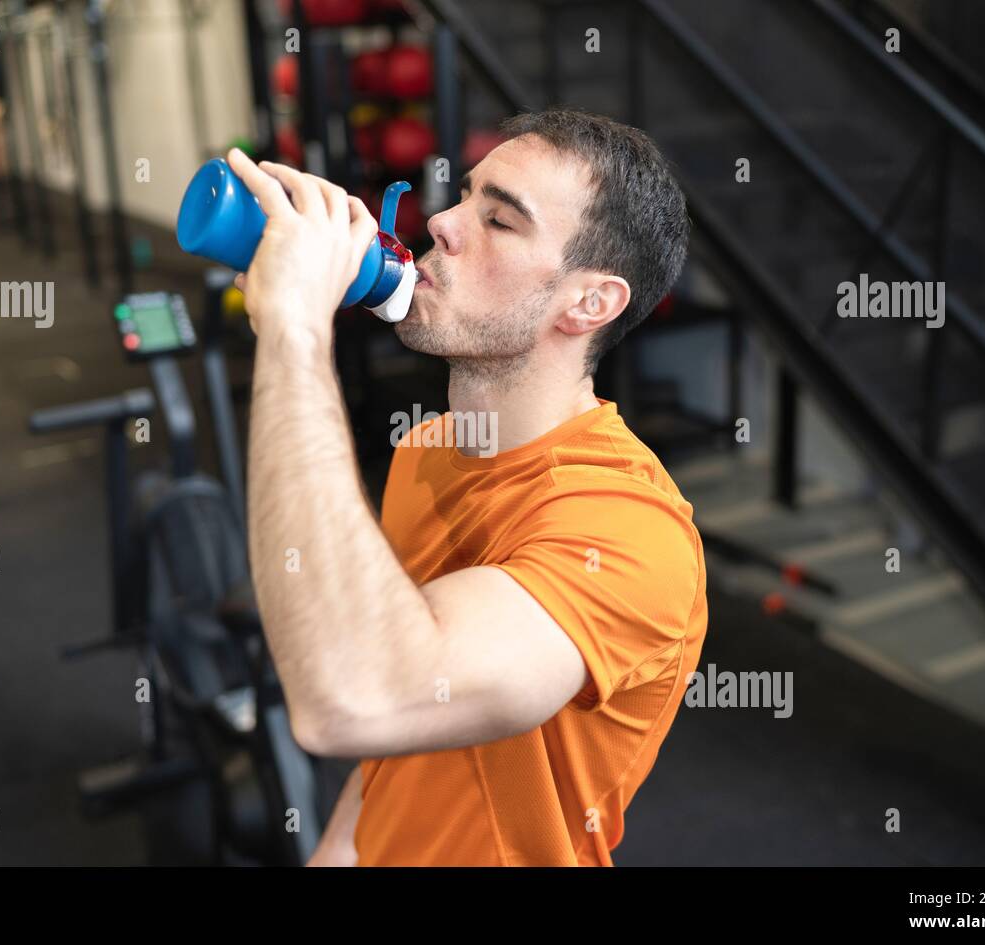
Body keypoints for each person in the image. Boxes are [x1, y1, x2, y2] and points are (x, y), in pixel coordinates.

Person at [227, 107, 706, 866]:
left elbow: (356, 697)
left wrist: (293, 328)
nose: (443, 222)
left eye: (499, 221)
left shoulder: (630, 533)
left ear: (589, 303)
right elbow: (408, 720)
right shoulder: (427, 448)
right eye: (465, 197)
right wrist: (339, 853)